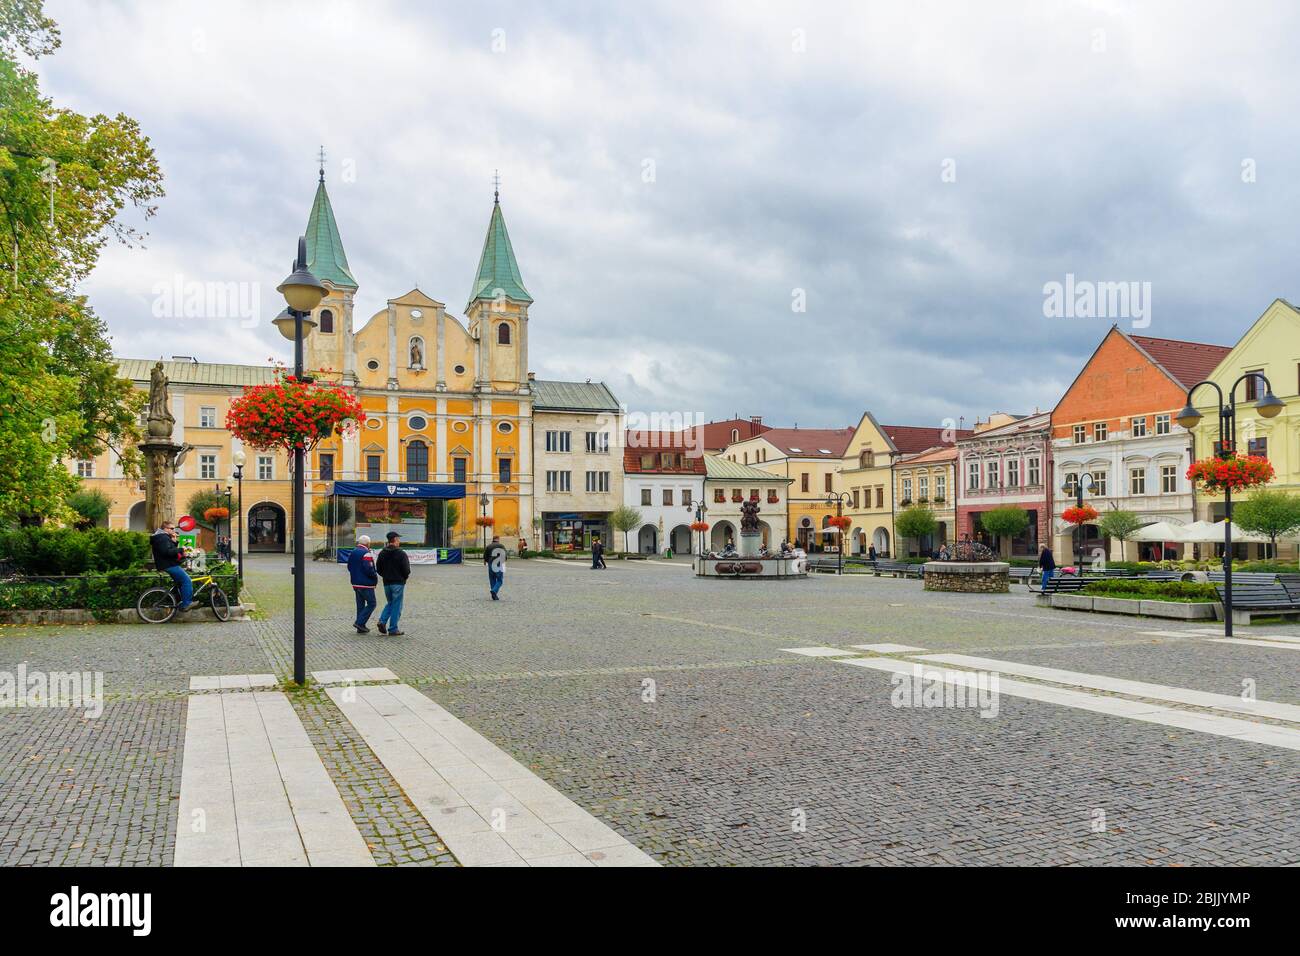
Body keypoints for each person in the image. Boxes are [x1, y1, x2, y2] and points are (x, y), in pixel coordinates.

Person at [151, 520, 192, 611]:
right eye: (172, 528)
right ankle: (186, 604)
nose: (174, 530)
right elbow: (167, 552)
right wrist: (181, 549)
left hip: (167, 564)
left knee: (180, 583)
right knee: (186, 580)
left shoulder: (162, 537)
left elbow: (169, 549)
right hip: (169, 564)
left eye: (174, 528)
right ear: (165, 529)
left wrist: (174, 541)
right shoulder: (162, 537)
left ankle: (176, 601)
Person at [375, 531, 410, 636]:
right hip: (398, 583)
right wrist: (404, 577)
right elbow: (406, 569)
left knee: (390, 602)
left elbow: (379, 569)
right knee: (397, 605)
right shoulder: (401, 553)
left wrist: (385, 576)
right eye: (398, 539)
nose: (399, 541)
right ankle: (393, 628)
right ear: (395, 540)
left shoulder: (382, 553)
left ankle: (382, 621)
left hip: (387, 583)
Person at [347, 534, 378, 633]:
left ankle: (361, 627)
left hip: (355, 583)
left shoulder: (353, 552)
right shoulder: (366, 553)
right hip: (366, 583)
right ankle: (359, 622)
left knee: (360, 604)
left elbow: (349, 567)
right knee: (372, 603)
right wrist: (374, 576)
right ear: (368, 543)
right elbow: (369, 569)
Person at [484, 534, 507, 600]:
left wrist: (487, 561)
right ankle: (494, 591)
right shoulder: (501, 546)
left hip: (491, 563)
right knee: (500, 580)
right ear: (498, 539)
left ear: (493, 539)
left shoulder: (489, 546)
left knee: (492, 579)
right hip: (499, 563)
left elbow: (485, 556)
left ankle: (494, 595)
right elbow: (504, 555)